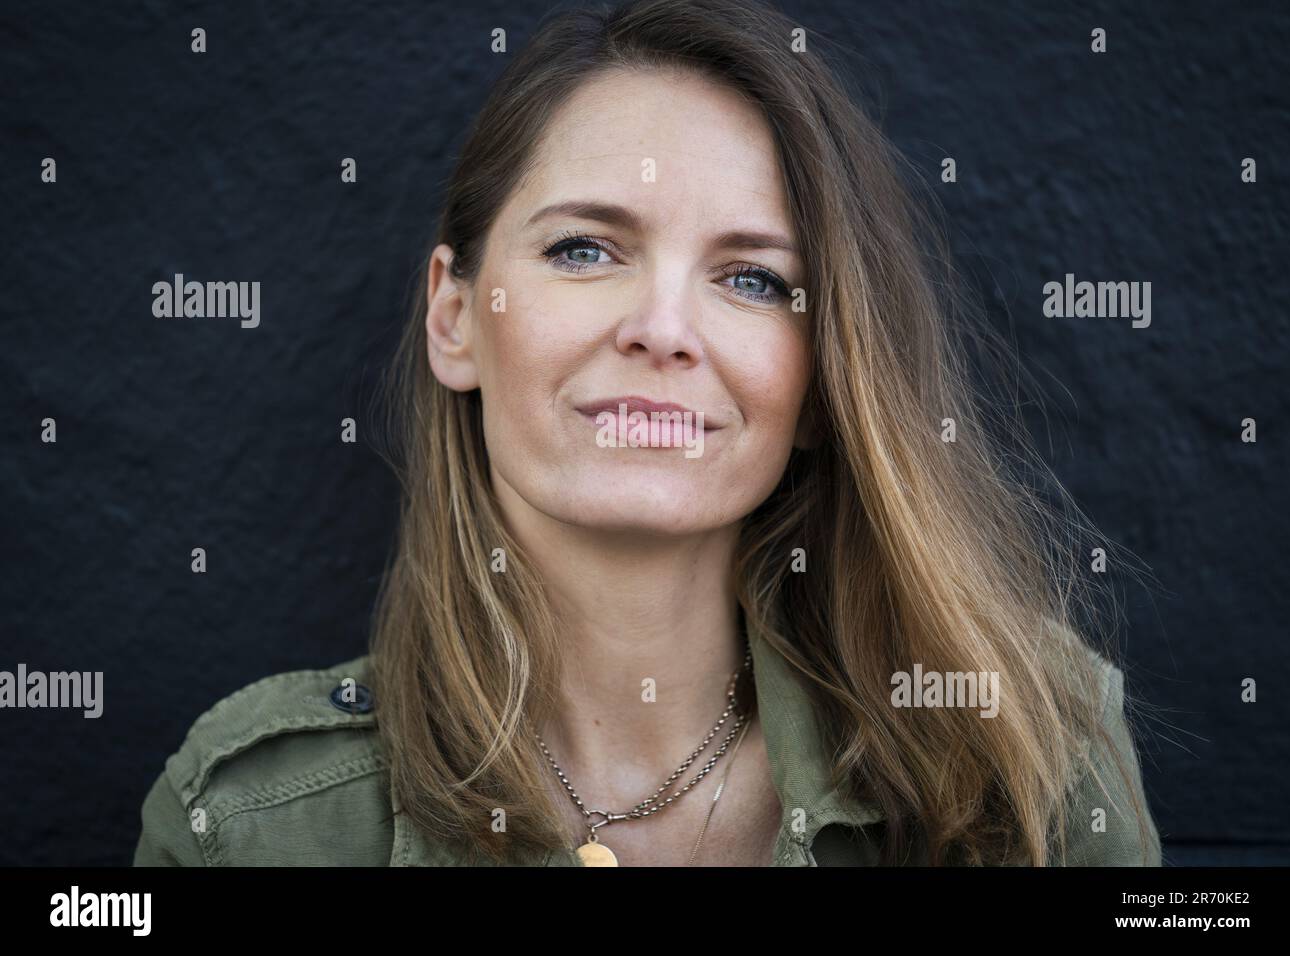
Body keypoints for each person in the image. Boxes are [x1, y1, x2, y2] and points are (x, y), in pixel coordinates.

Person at [134, 0, 1162, 867]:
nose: (662, 329)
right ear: (455, 319)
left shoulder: (1022, 746)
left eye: (753, 278)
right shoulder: (250, 822)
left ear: (817, 383)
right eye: (584, 249)